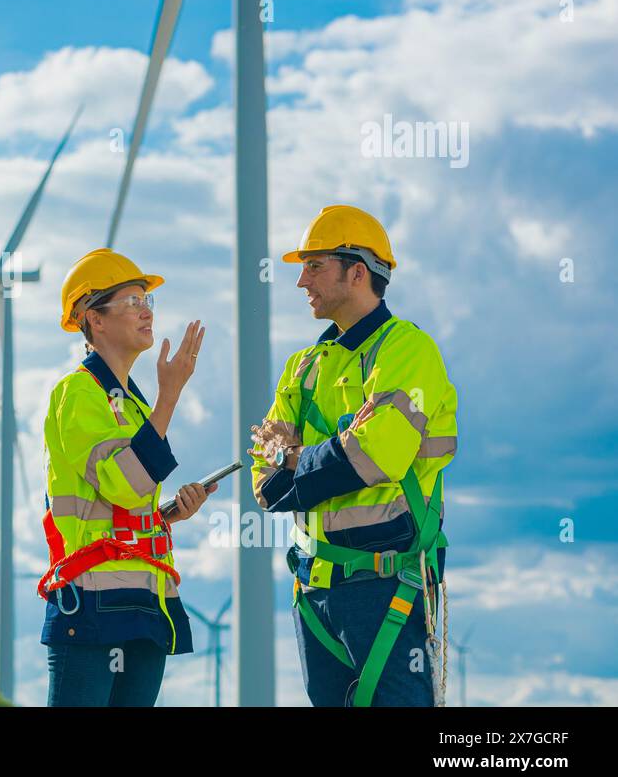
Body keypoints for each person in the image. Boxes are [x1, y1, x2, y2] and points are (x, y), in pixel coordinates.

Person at [248, 205, 458, 706]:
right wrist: (313, 456)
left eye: (314, 266)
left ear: (357, 272)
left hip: (388, 587)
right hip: (313, 593)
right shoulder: (302, 366)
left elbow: (375, 457)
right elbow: (266, 485)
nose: (301, 281)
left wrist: (294, 456)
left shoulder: (406, 349)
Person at [38, 248, 213, 707]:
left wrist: (167, 513)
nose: (145, 311)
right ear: (93, 319)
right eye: (133, 301)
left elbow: (123, 502)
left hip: (143, 600)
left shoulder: (130, 402)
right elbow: (121, 481)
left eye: (147, 302)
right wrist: (170, 396)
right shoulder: (78, 392)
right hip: (92, 602)